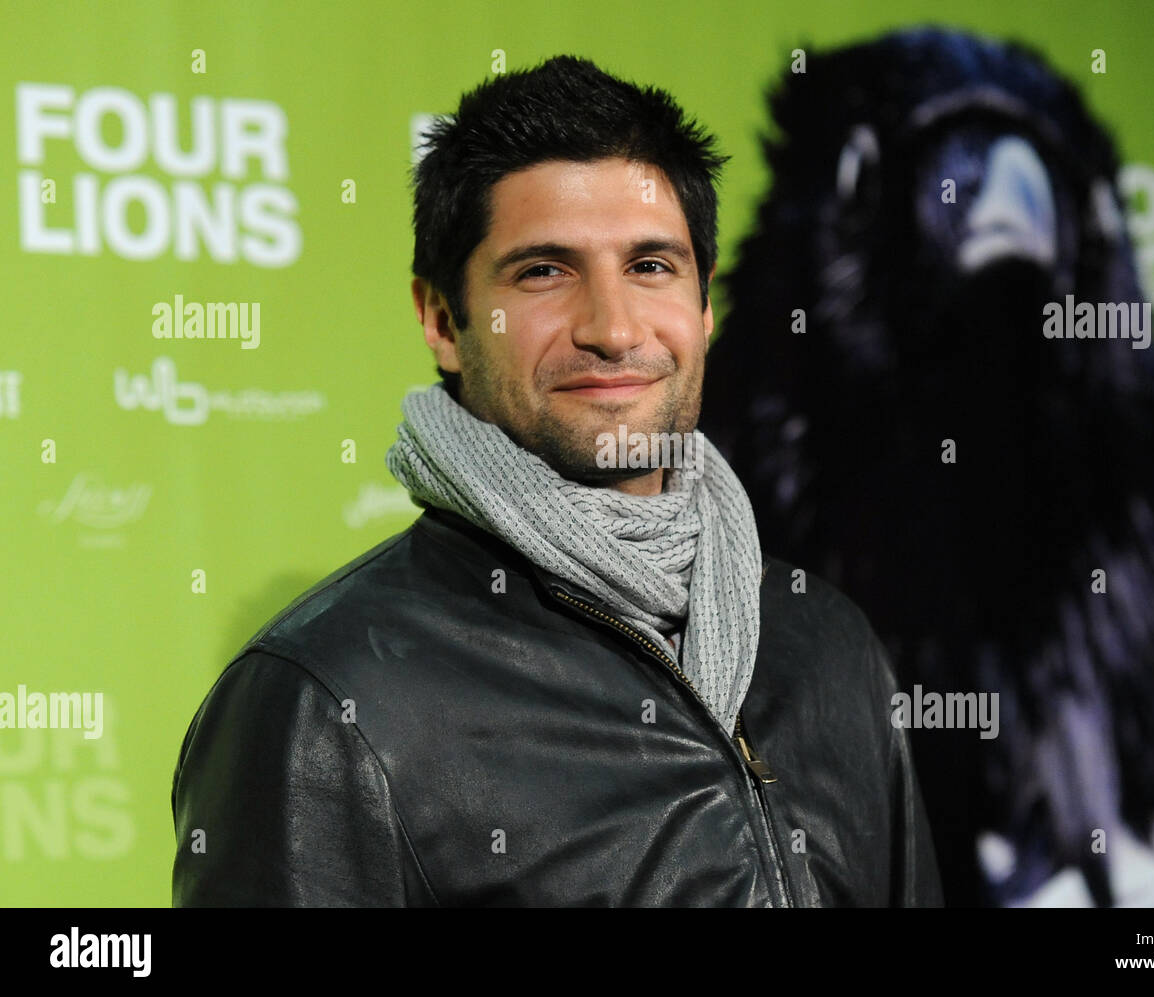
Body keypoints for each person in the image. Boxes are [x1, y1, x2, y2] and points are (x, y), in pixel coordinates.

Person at [170, 54, 943, 907]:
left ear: (704, 307)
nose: (613, 329)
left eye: (651, 266)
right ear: (441, 320)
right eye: (544, 271)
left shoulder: (825, 642)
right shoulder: (322, 703)